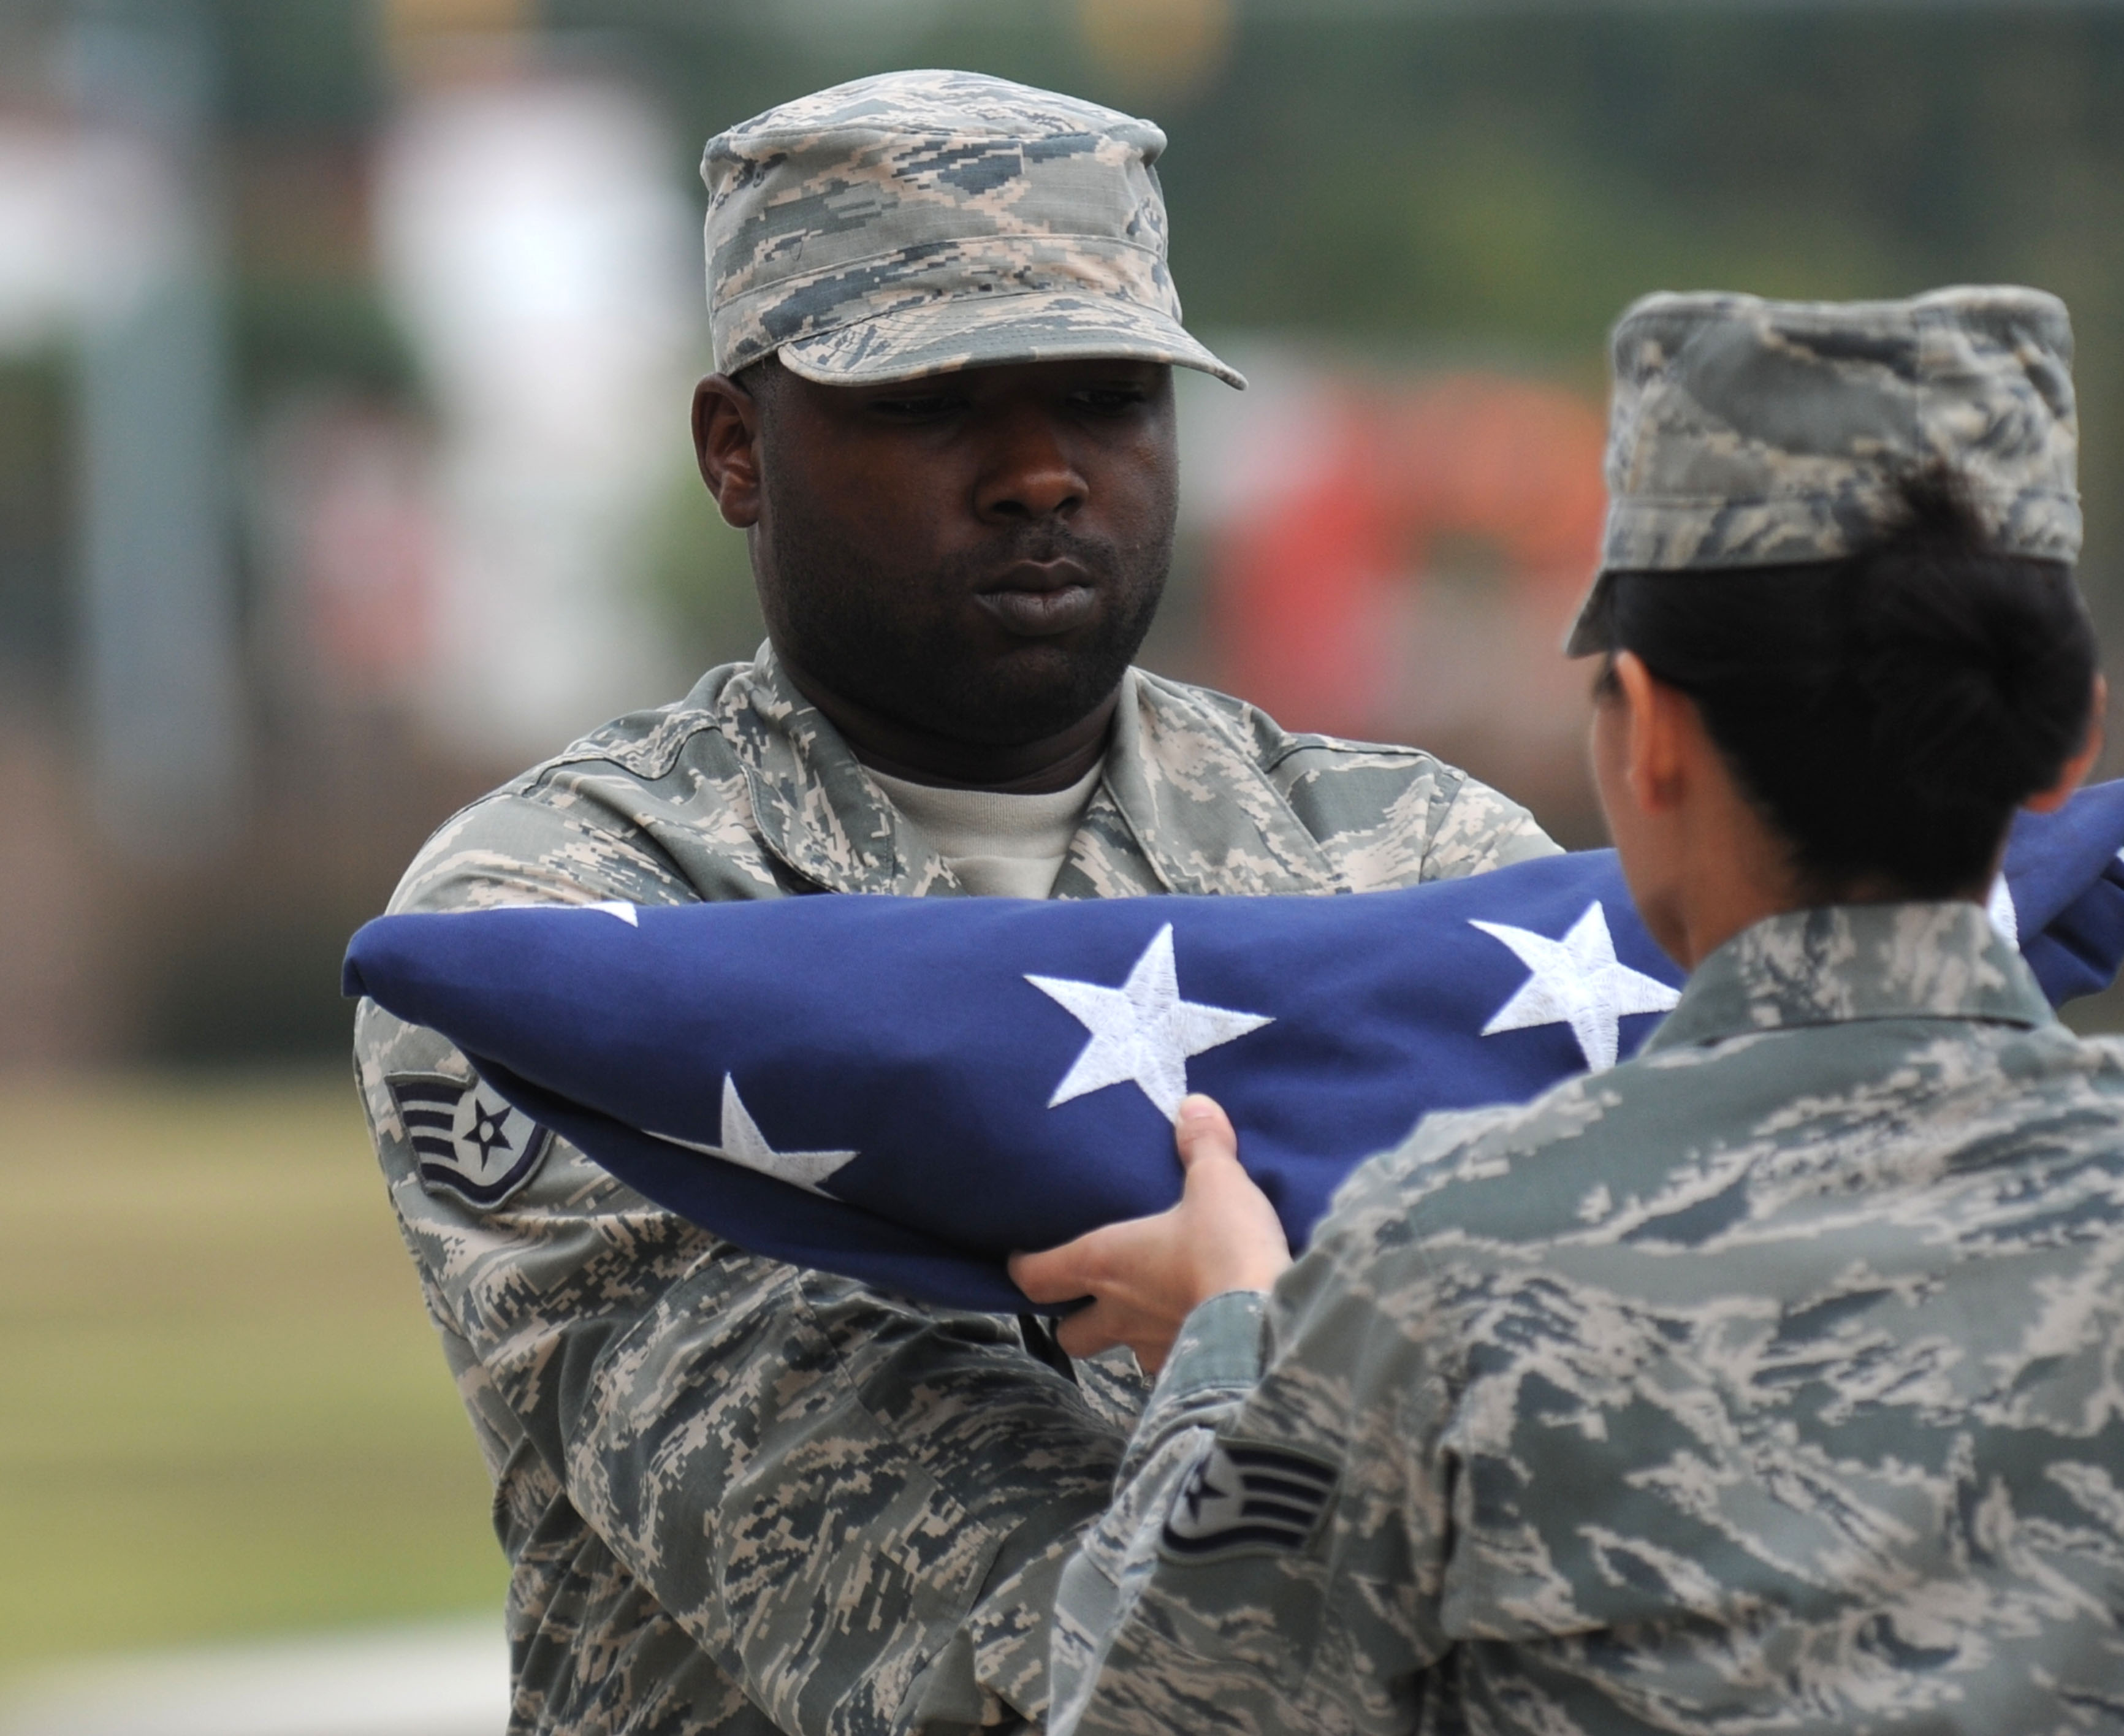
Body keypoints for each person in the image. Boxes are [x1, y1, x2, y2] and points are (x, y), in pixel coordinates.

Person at [351, 70, 1555, 1736]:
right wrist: (1264, 1357)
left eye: (1109, 395)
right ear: (735, 452)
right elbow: (979, 1650)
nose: (1044, 473)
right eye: (935, 401)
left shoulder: (1424, 864)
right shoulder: (573, 932)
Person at [1013, 287, 2124, 1736]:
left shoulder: (1446, 1258)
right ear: (2071, 743)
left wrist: (1239, 1342)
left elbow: (1161, 1713)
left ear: (1649, 732)